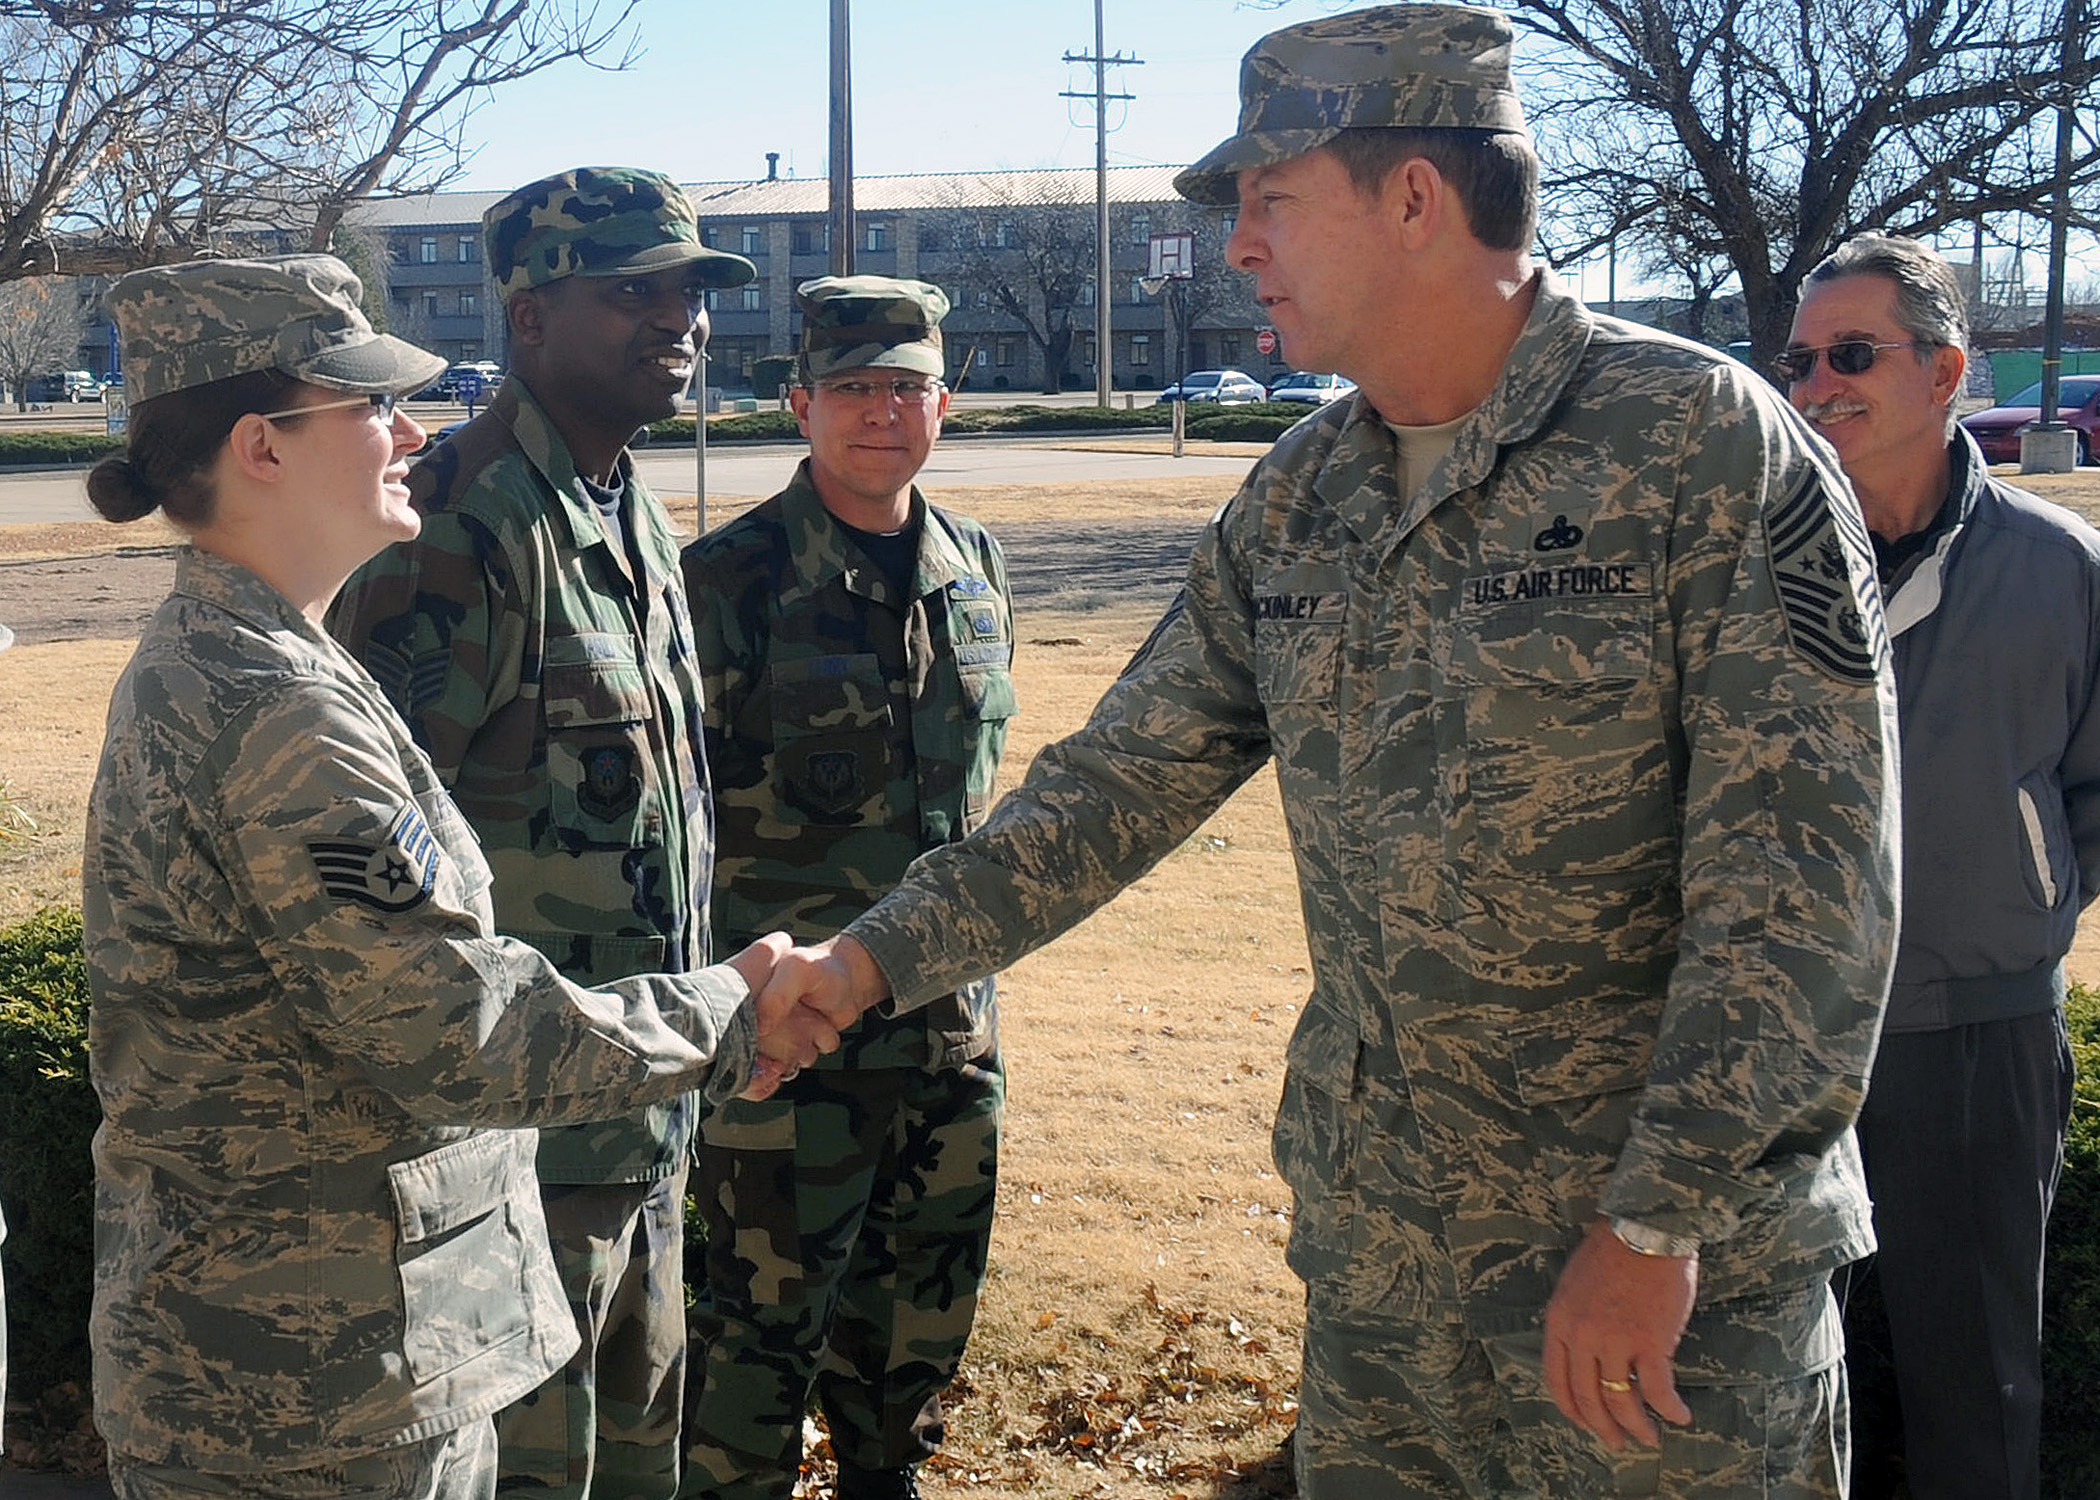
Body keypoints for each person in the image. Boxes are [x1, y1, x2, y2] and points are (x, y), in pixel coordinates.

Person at [756, 6, 1903, 1495]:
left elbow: (1804, 885)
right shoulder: (1303, 495)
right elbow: (1119, 785)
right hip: (1388, 1284)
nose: (1237, 247)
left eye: (1268, 202)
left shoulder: (1696, 444)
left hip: (1656, 1305)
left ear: (1415, 199)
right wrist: (866, 965)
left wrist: (1659, 1221)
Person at [81, 253, 834, 1500]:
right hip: (313, 1393)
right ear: (261, 447)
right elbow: (457, 1031)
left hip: (330, 1356)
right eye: (372, 406)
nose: (411, 430)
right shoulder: (272, 710)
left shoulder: (262, 659)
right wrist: (729, 1004)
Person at [328, 167, 755, 1500]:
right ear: (527, 319)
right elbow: (377, 878)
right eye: (633, 292)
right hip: (514, 1165)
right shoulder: (453, 529)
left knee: (639, 1468)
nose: (677, 319)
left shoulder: (634, 510)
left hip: (641, 1121)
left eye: (689, 292)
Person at [677, 276, 1014, 1500]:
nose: (885, 413)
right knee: (760, 1337)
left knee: (920, 1323)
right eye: (855, 388)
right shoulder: (722, 585)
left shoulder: (971, 565)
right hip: (791, 1042)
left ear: (947, 402)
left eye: (908, 387)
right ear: (799, 403)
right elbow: (679, 823)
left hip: (946, 1029)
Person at [1783, 233, 2100, 1500]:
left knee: (1975, 1395)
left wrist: (2019, 895)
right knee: (1778, 1391)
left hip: (1973, 1040)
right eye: (1800, 359)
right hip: (1773, 1039)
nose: (1816, 384)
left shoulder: (2057, 569)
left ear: (1948, 369)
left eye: (1852, 353)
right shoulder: (1741, 560)